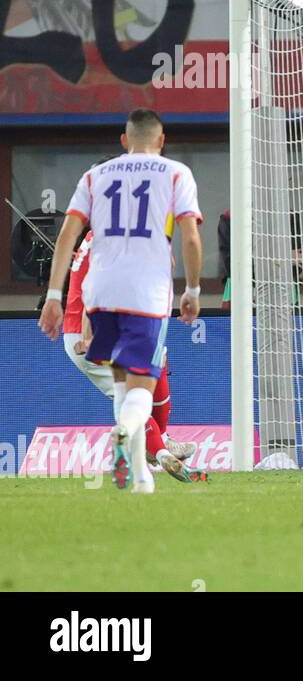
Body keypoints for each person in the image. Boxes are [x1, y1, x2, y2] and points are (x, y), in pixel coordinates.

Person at [39, 109, 205, 495]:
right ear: (161, 141)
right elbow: (191, 238)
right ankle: (129, 435)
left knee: (120, 387)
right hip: (144, 295)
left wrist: (52, 296)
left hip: (100, 294)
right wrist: (193, 291)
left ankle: (139, 476)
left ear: (123, 140)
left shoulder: (95, 177)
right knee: (139, 390)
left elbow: (67, 234)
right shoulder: (174, 173)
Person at [63, 223, 206, 485]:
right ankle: (159, 451)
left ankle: (160, 443)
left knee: (157, 359)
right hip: (91, 332)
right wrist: (88, 335)